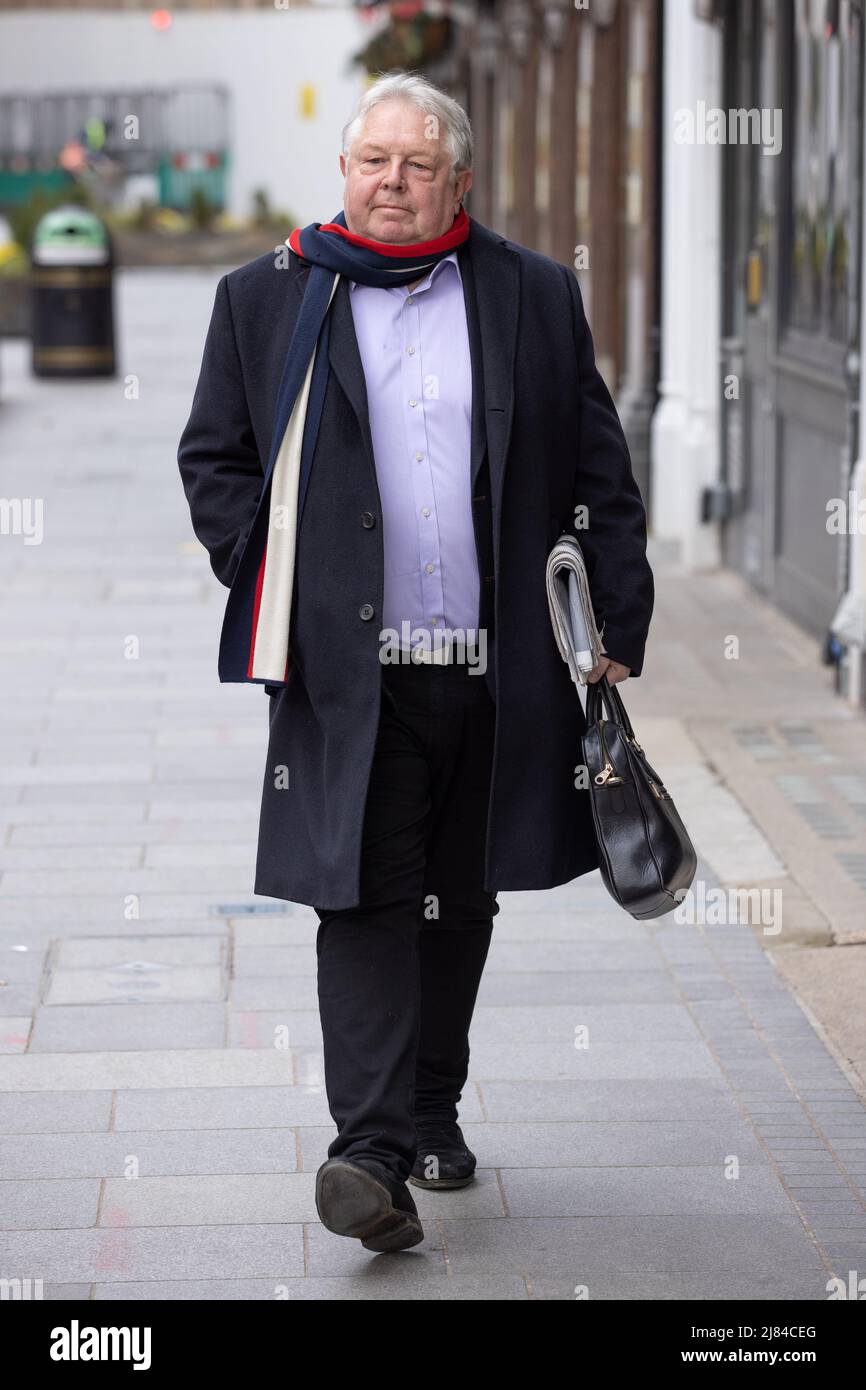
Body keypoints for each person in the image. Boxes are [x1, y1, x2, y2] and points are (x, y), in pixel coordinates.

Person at [177, 71, 654, 1254]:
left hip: (500, 666)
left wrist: (614, 631)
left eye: (418, 163)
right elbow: (215, 460)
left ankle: (432, 1107)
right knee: (367, 892)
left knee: (460, 891)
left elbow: (599, 474)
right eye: (372, 160)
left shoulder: (533, 294)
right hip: (355, 671)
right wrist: (282, 575)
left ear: (460, 180)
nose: (392, 182)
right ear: (343, 170)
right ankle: (370, 1152)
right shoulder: (267, 296)